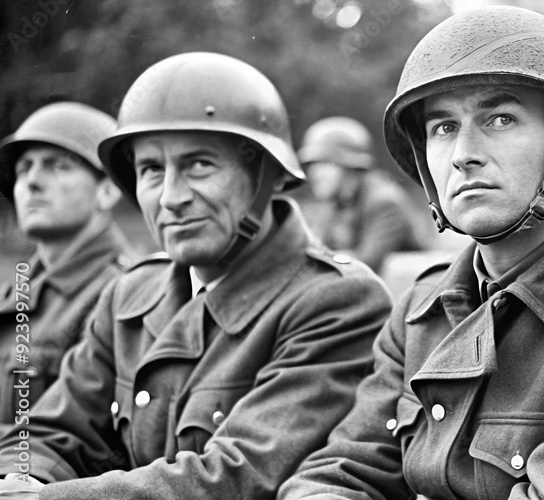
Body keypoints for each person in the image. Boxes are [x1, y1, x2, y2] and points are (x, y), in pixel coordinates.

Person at [278, 7, 544, 499]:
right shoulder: (423, 309)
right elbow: (338, 472)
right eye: (443, 127)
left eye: (500, 118)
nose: (464, 152)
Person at [0, 52, 392, 499]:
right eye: (150, 169)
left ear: (265, 175)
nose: (170, 197)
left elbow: (238, 475)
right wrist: (18, 479)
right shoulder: (130, 294)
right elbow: (49, 433)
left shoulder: (335, 301)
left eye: (199, 165)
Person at [0, 102, 132, 425]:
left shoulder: (121, 293)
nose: (32, 182)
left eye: (58, 166)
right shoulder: (16, 288)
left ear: (107, 190)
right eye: (23, 168)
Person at [298, 116, 422, 273]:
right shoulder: (342, 202)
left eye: (323, 164)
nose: (314, 174)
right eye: (312, 166)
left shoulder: (384, 202)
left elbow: (365, 262)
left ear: (349, 165)